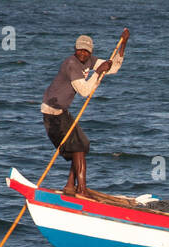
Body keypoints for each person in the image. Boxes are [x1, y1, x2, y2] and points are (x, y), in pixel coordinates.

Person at [40, 31, 129, 196]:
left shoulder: (90, 61)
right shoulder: (71, 64)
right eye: (80, 50)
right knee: (78, 147)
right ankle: (81, 190)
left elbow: (113, 67)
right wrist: (97, 73)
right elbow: (84, 91)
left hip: (62, 111)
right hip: (52, 113)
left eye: (86, 51)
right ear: (75, 49)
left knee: (83, 145)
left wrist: (123, 44)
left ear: (90, 52)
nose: (82, 53)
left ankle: (69, 186)